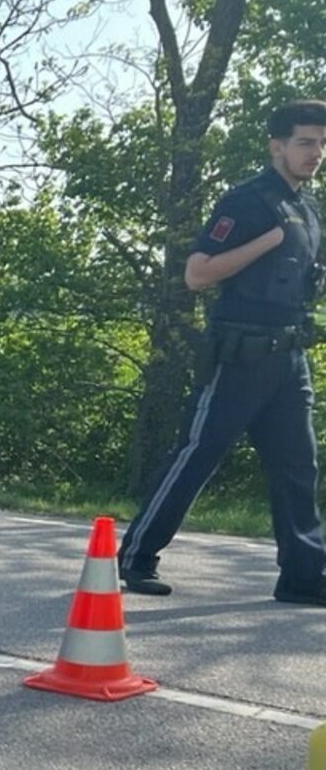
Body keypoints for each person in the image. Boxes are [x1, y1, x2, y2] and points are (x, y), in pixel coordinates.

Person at [118, 99, 326, 604]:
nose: (315, 153)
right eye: (304, 142)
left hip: (288, 360)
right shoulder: (248, 202)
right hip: (239, 358)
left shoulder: (308, 208)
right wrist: (267, 242)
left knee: (298, 466)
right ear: (276, 145)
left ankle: (303, 577)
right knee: (197, 456)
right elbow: (197, 273)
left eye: (321, 144)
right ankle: (137, 557)